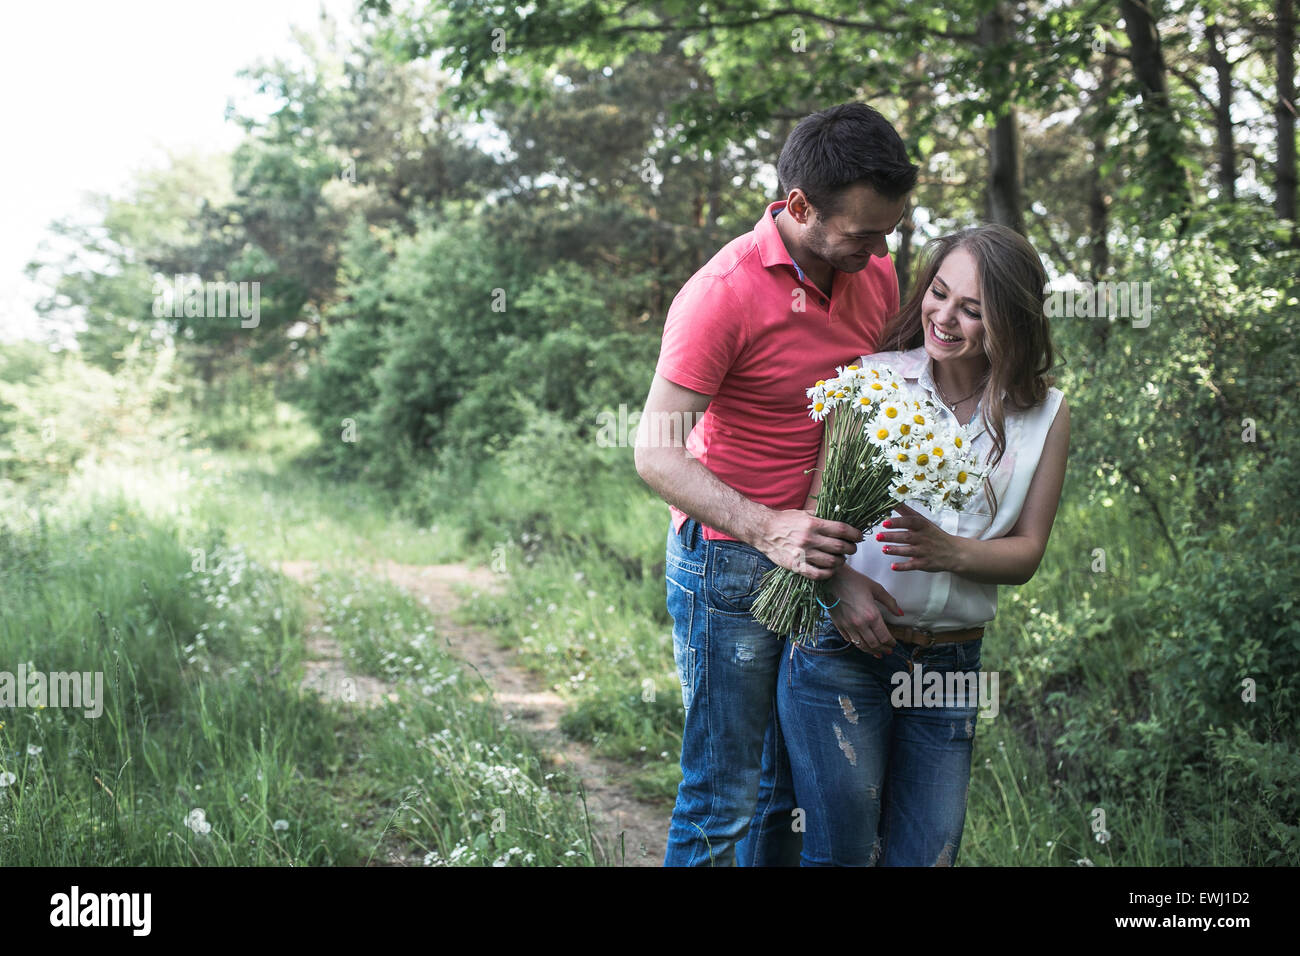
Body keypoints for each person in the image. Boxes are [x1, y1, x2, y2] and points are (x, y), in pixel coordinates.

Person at [634, 102, 918, 866]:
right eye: (862, 233)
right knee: (721, 796)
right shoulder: (720, 294)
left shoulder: (877, 273)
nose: (879, 249)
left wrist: (840, 565)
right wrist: (768, 529)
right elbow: (655, 455)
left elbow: (866, 417)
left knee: (785, 794)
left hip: (821, 551)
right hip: (727, 559)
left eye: (888, 231)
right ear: (798, 207)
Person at [776, 224, 1070, 866]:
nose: (945, 317)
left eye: (973, 310)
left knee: (928, 856)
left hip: (951, 667)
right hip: (842, 651)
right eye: (939, 294)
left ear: (1012, 323)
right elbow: (815, 517)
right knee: (840, 856)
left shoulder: (1043, 412)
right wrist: (836, 590)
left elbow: (1027, 552)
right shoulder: (873, 382)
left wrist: (951, 553)